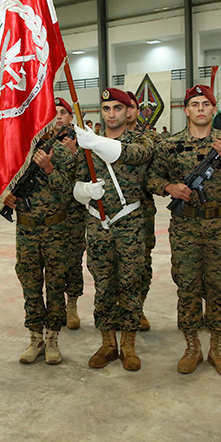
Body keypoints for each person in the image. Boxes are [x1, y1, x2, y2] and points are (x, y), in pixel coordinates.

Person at [148, 85, 221, 376]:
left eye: (205, 104)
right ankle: (192, 346)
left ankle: (218, 347)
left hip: (219, 226)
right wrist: (169, 187)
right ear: (186, 110)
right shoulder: (170, 144)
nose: (200, 108)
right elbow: (150, 178)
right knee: (187, 286)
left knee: (219, 286)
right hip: (184, 226)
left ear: (214, 109)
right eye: (194, 104)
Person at [72, 87, 153, 371]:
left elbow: (134, 154)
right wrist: (85, 191)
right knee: (103, 284)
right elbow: (76, 185)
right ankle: (108, 343)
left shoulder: (139, 139)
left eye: (117, 108)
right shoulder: (87, 146)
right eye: (106, 109)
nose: (111, 114)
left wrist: (95, 141)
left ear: (128, 110)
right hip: (98, 223)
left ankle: (128, 345)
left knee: (130, 284)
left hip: (129, 222)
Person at [4, 102, 76, 365]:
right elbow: (3, 182)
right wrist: (6, 196)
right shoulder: (16, 150)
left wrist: (48, 168)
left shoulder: (63, 153)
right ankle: (35, 338)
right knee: (30, 286)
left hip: (55, 229)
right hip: (26, 230)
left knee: (55, 286)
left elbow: (68, 194)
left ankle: (52, 339)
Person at [126, 90, 157, 331]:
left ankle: (138, 309)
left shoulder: (150, 139)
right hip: (113, 211)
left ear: (138, 111)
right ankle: (117, 311)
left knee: (142, 262)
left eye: (131, 106)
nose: (127, 111)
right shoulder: (105, 140)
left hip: (143, 209)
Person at [54, 98, 86, 329]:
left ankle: (71, 305)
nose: (58, 116)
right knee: (53, 262)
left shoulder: (82, 142)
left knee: (73, 260)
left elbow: (90, 177)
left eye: (63, 112)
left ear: (71, 117)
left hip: (74, 213)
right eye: (54, 112)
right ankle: (55, 307)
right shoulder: (41, 141)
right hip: (50, 212)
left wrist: (75, 153)